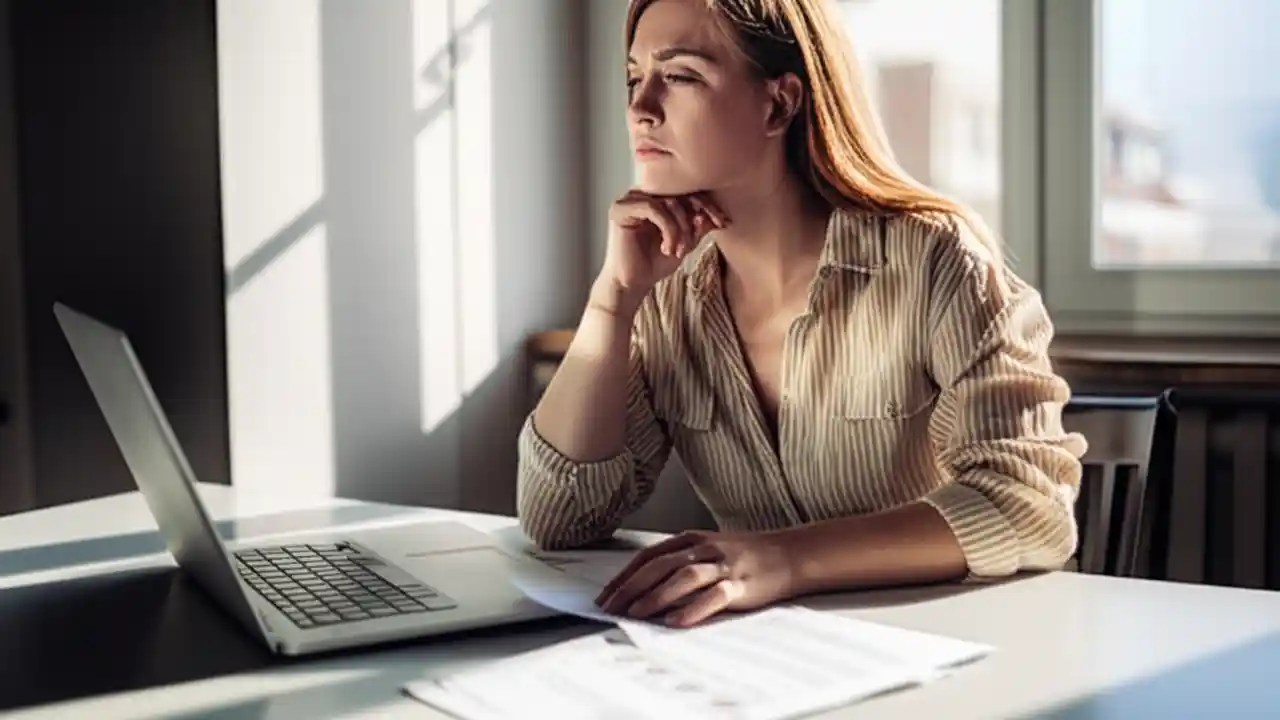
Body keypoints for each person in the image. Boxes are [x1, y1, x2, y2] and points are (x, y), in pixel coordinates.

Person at [517, 0, 1086, 628]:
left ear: (780, 103)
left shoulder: (936, 258)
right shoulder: (664, 298)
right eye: (633, 77)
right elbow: (558, 521)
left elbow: (1028, 504)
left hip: (953, 649)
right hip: (768, 664)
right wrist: (612, 301)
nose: (640, 107)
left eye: (678, 76)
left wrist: (780, 561)